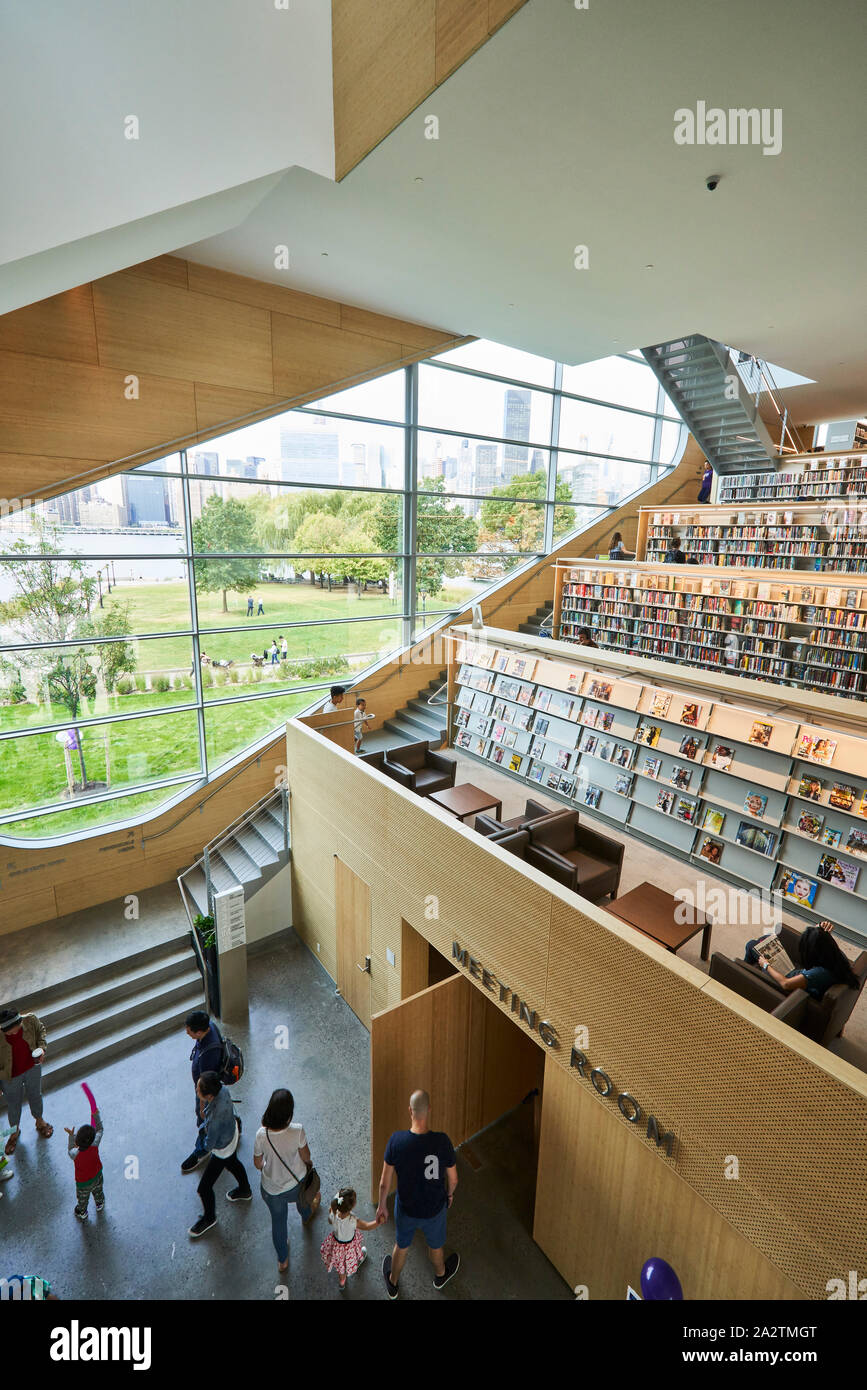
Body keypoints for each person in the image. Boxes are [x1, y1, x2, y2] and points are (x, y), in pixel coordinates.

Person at [377, 1089, 459, 1300]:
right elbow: (454, 1179)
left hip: (406, 1208)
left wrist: (382, 1205)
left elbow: (384, 1182)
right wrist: (449, 1195)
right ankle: (440, 1275)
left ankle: (393, 1283)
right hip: (434, 1208)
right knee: (435, 1245)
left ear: (409, 1111)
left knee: (401, 1245)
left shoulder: (397, 1141)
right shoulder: (442, 1142)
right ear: (429, 1110)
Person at [253, 1088, 321, 1273]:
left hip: (271, 1190)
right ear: (289, 1114)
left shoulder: (261, 1134)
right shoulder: (297, 1131)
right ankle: (306, 1216)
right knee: (303, 1201)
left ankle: (282, 1261)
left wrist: (267, 1163)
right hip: (296, 1184)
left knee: (278, 1223)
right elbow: (307, 1156)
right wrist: (307, 1163)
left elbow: (258, 1163)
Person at [189, 1072, 251, 1238]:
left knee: (204, 1188)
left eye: (198, 1088)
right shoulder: (222, 1090)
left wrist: (203, 1129)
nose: (196, 1089)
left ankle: (210, 1218)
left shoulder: (215, 1117)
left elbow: (209, 1144)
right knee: (233, 1163)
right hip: (231, 1135)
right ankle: (245, 1189)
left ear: (209, 1095)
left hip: (222, 1147)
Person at [744, 922, 860, 1000]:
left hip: (787, 979)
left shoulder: (818, 973)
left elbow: (786, 984)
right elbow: (823, 943)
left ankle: (743, 975)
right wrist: (819, 930)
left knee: (751, 945)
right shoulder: (837, 957)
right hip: (799, 974)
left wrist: (766, 965)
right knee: (764, 939)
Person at [0, 1007, 52, 1156]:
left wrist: (42, 1048)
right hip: (9, 1076)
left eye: (17, 1029)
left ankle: (40, 1121)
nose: (14, 1033)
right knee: (13, 1104)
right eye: (10, 1033)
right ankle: (13, 1131)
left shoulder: (30, 1020)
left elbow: (41, 1030)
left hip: (32, 1068)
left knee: (36, 1094)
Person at [181, 1010, 225, 1173]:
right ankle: (233, 1123)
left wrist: (201, 1104)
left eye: (189, 1030)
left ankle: (202, 1150)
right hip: (209, 1086)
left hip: (206, 1090)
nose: (187, 1032)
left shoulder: (210, 1053)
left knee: (204, 1120)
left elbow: (205, 1084)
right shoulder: (210, 1026)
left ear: (199, 1031)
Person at [321, 1187, 381, 1290]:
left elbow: (330, 1220)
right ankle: (356, 1260)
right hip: (349, 1246)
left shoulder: (333, 1212)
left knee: (341, 1266)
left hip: (336, 1245)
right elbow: (367, 1226)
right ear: (352, 1206)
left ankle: (342, 1282)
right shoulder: (353, 1220)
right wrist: (378, 1222)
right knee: (353, 1253)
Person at [65, 1106, 104, 1221]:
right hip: (97, 1176)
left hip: (83, 1183)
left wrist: (71, 1136)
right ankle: (99, 1204)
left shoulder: (75, 1154)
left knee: (83, 1199)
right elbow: (100, 1130)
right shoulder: (95, 1143)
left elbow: (70, 1149)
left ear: (78, 1142)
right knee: (98, 1191)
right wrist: (96, 1116)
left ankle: (82, 1212)